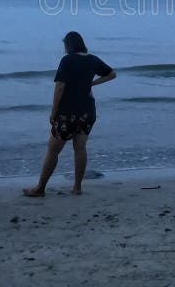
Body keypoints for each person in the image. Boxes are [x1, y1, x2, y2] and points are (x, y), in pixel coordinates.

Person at [23, 31, 116, 197]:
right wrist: (92, 83)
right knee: (80, 148)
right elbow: (112, 74)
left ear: (68, 45)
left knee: (53, 150)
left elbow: (60, 87)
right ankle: (77, 187)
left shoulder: (67, 60)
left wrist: (53, 111)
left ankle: (40, 188)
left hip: (67, 113)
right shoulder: (93, 59)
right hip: (87, 111)